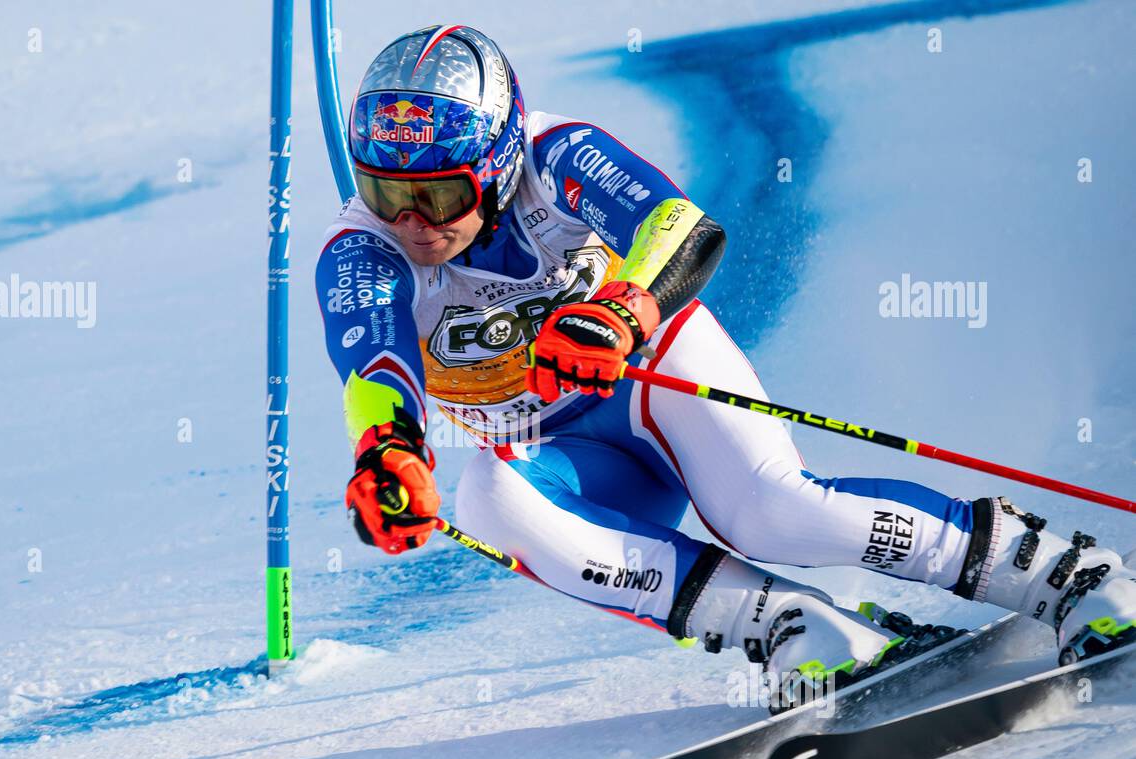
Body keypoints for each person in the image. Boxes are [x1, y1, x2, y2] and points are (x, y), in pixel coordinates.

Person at [314, 24, 1134, 706]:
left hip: (655, 379)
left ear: (493, 167)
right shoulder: (361, 252)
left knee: (771, 514)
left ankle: (1066, 574)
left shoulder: (553, 154)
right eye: (388, 193)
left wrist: (616, 314)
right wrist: (387, 456)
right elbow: (376, 368)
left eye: (441, 196)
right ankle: (797, 628)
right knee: (490, 497)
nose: (415, 222)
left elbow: (683, 224)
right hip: (558, 448)